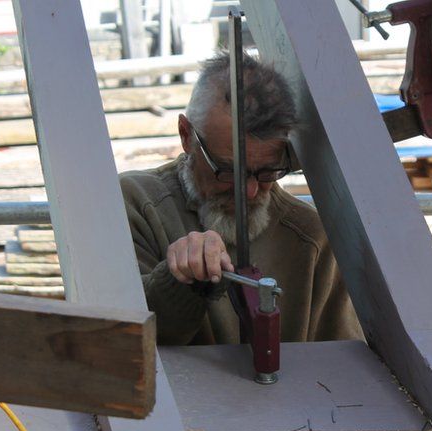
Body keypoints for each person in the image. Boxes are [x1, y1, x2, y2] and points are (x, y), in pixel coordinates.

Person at [120, 51, 363, 345]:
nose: (249, 191)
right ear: (186, 135)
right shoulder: (133, 203)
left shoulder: (311, 238)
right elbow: (119, 339)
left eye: (267, 172)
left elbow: (340, 364)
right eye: (227, 171)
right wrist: (177, 280)